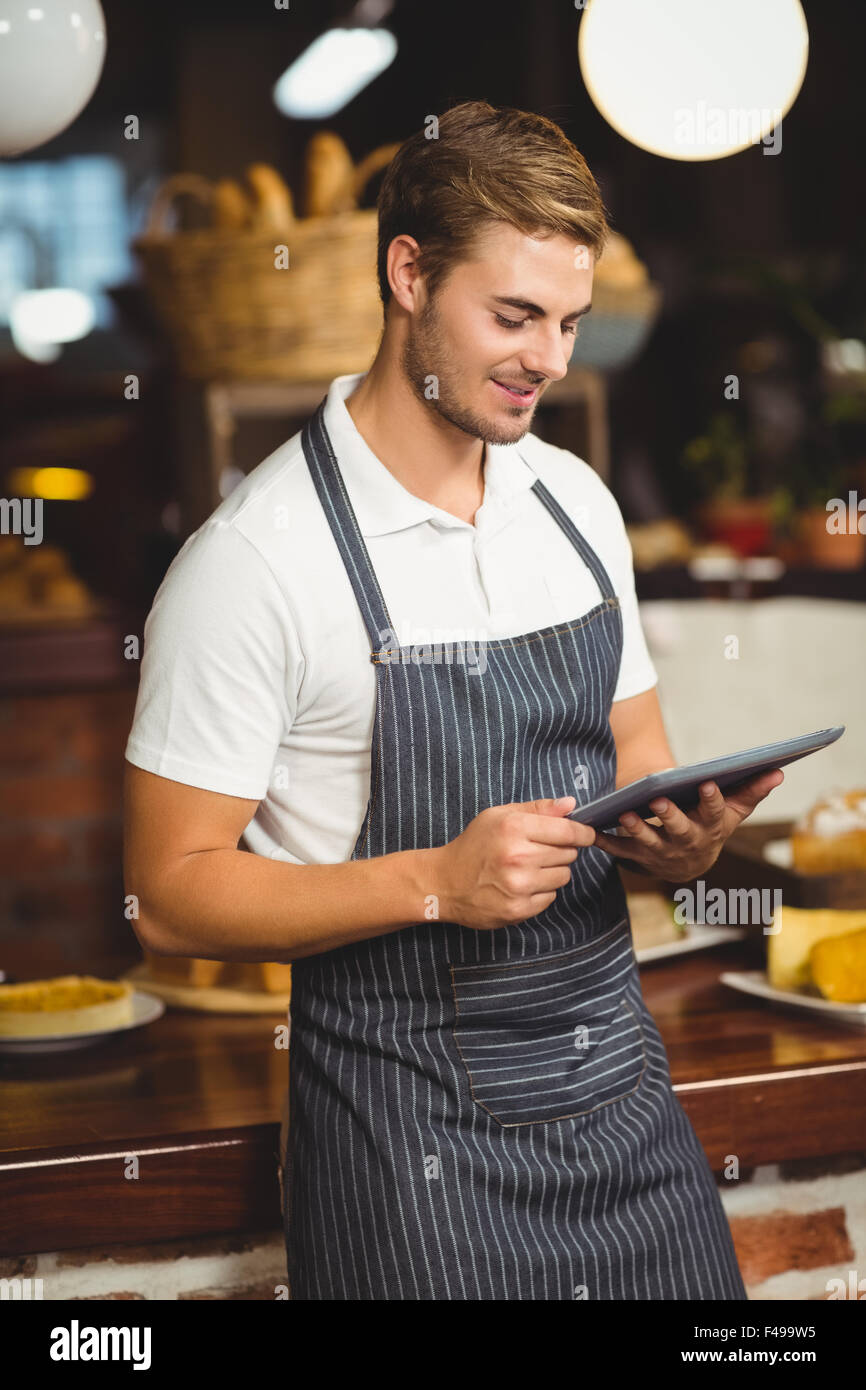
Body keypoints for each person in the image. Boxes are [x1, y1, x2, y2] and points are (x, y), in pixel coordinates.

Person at [123, 99, 783, 1301]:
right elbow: (167, 895)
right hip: (406, 1164)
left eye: (570, 322)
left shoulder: (575, 506)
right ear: (408, 275)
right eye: (513, 315)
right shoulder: (253, 560)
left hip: (626, 1121)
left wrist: (686, 843)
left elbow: (638, 752)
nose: (549, 359)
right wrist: (436, 880)